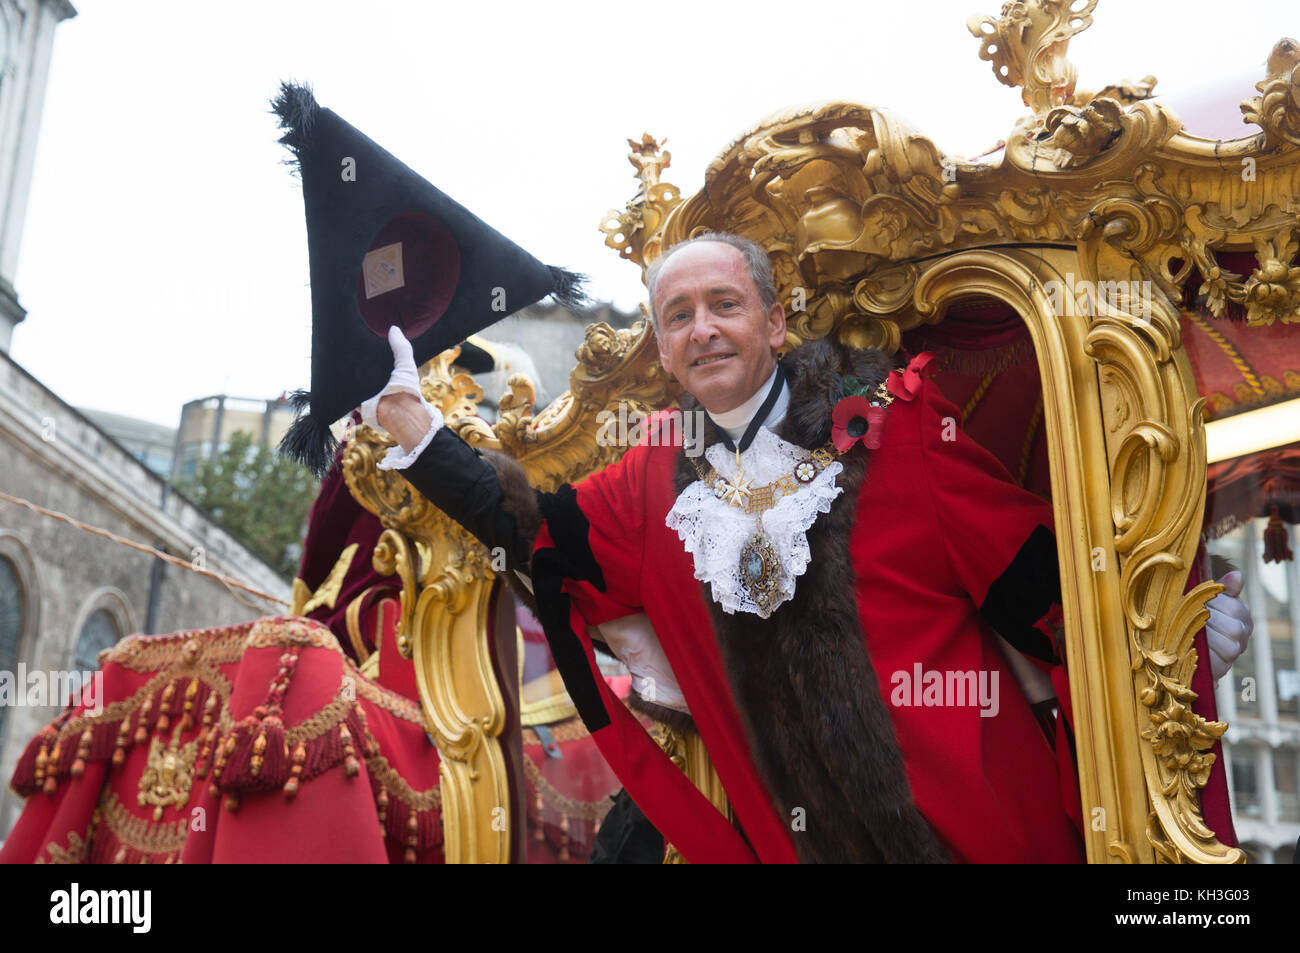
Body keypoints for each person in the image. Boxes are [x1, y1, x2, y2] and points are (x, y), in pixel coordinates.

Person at [365, 233, 1253, 863]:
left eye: (724, 304)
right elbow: (536, 536)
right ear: (666, 355)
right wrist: (421, 435)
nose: (703, 328)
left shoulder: (901, 435)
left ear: (777, 322)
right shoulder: (643, 488)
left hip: (986, 836)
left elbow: (1044, 579)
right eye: (678, 316)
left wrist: (1158, 618)